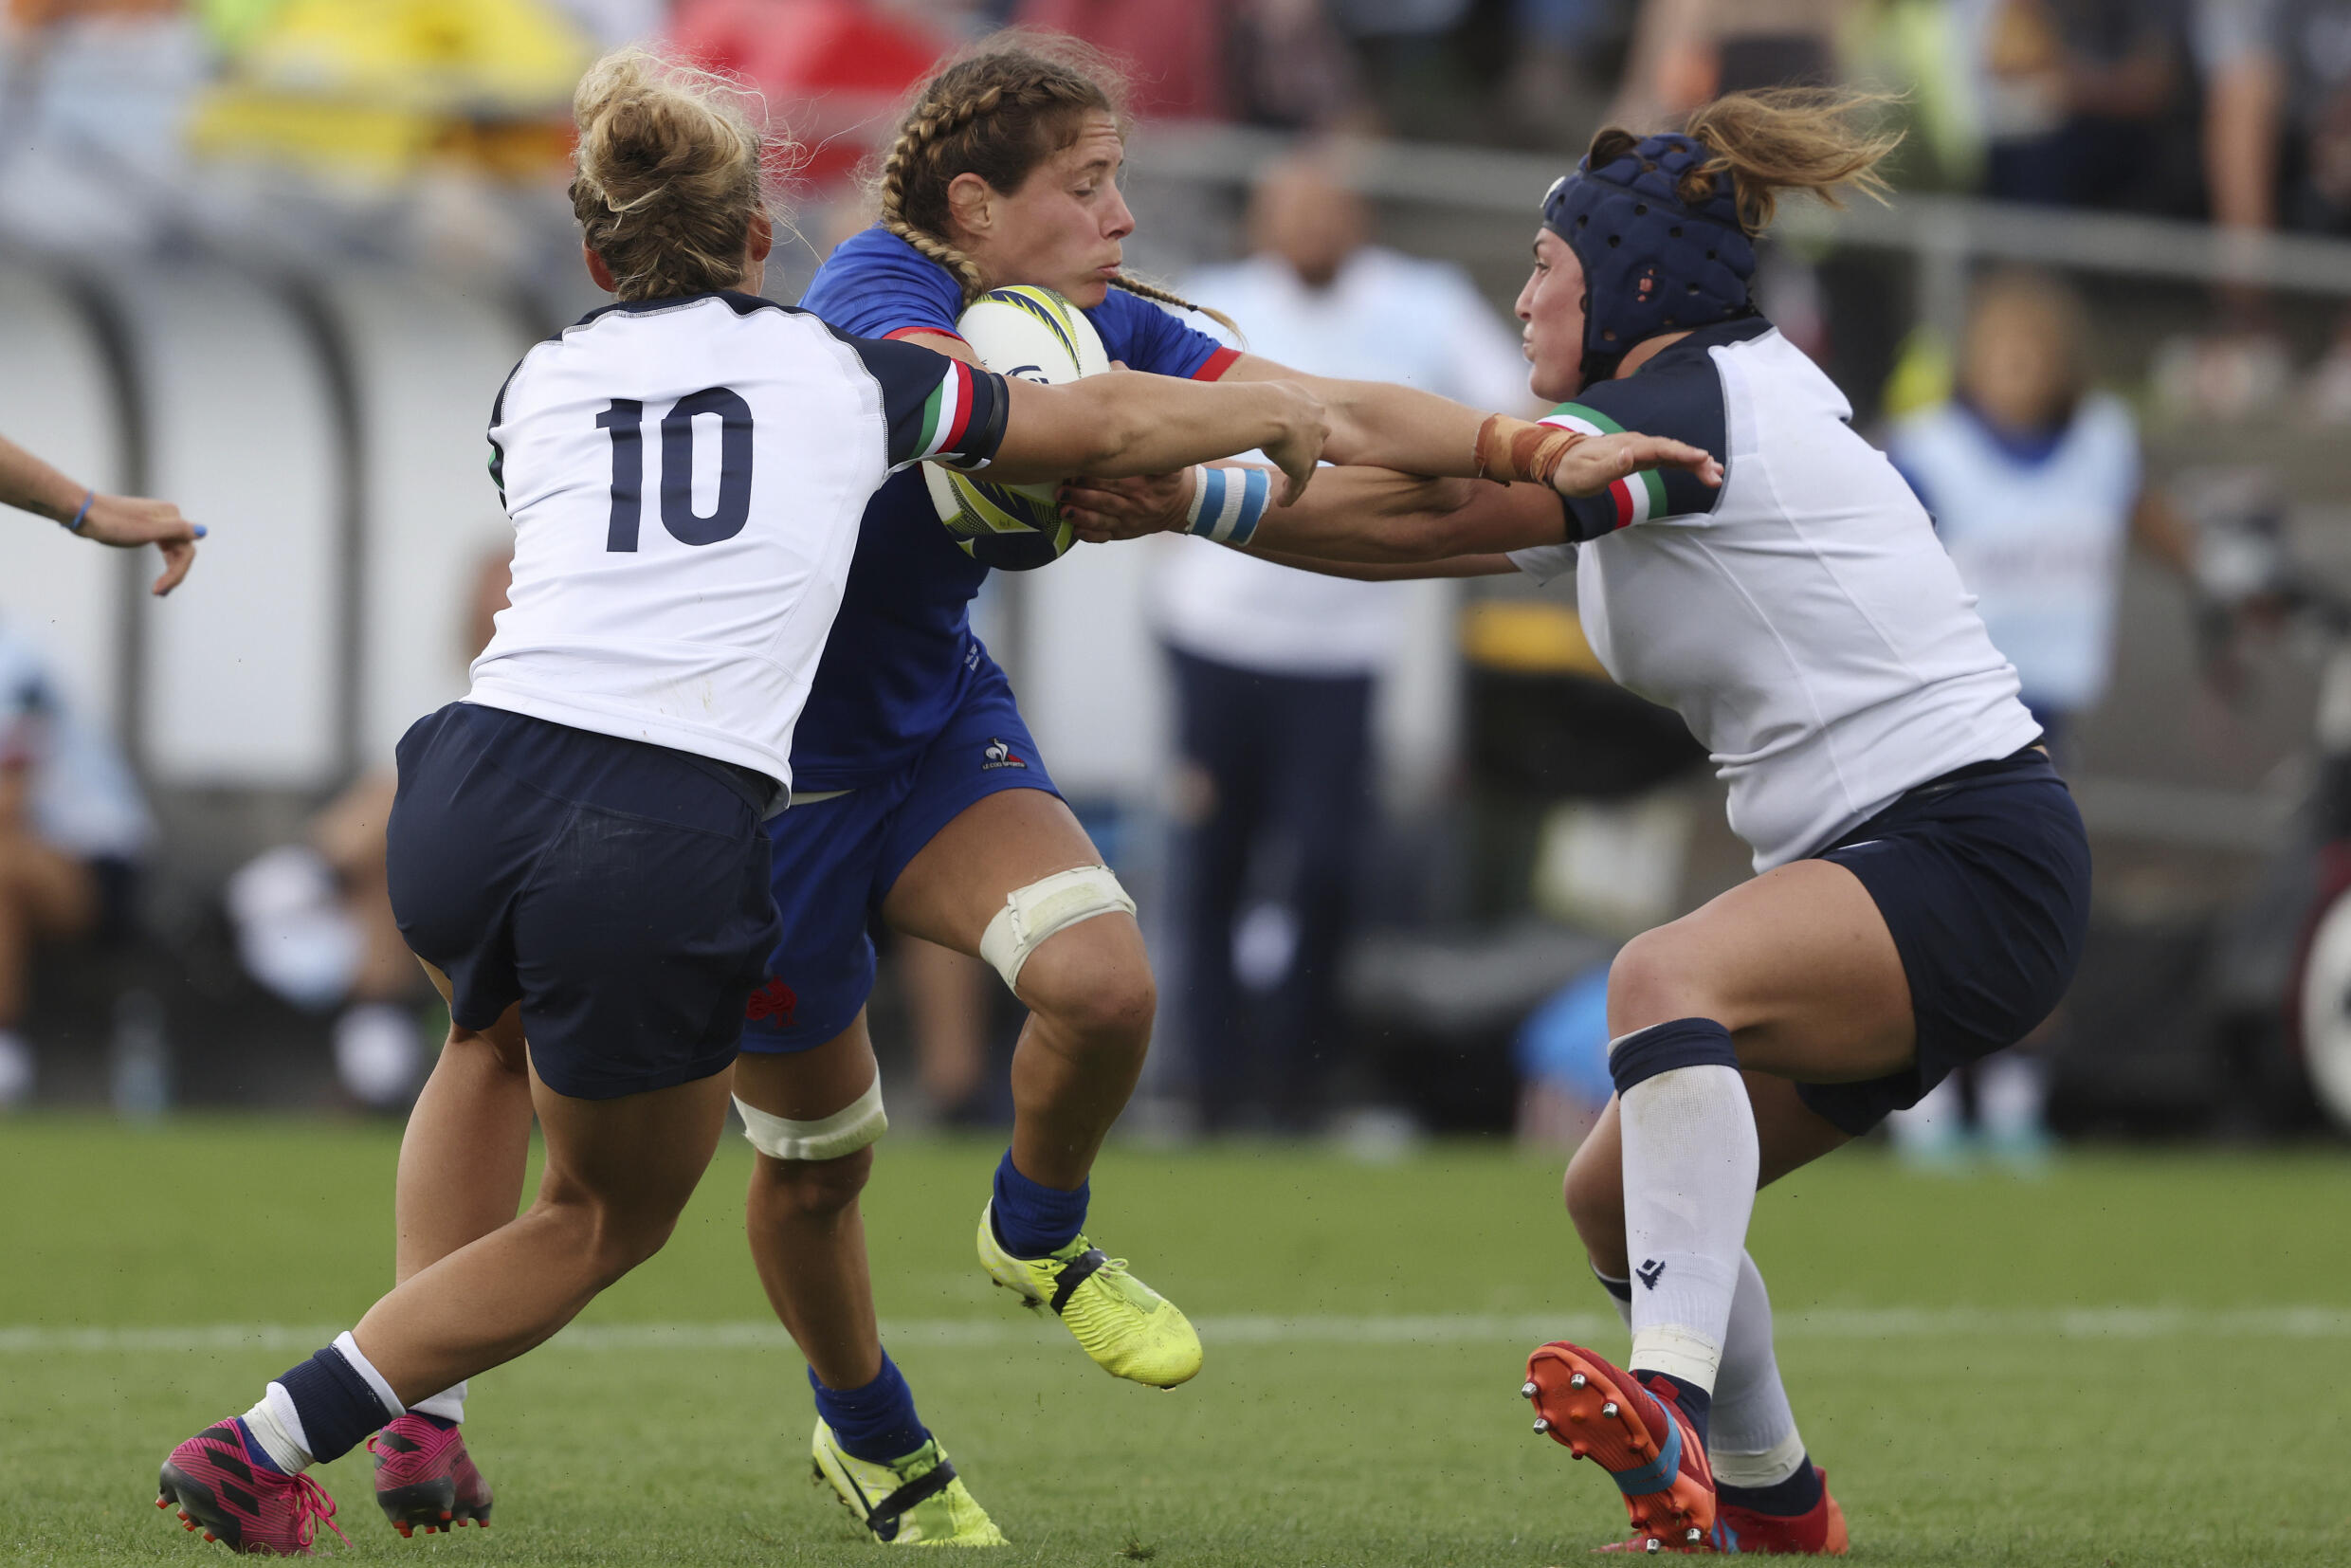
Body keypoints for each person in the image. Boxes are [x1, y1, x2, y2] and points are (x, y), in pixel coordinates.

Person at [151, 44, 1337, 1555]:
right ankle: (267, 1442)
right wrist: (1264, 421)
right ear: (765, 241)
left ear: (594, 249)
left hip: (461, 781)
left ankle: (425, 1431)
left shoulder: (543, 377)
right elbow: (1090, 430)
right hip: (659, 817)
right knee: (603, 1218)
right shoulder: (851, 371)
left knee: (484, 1039)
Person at [1066, 88, 2090, 1554]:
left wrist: (1176, 487)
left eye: (1546, 268)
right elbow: (1417, 531)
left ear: (1634, 284)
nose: (1523, 294)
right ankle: (1776, 1506)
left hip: (1969, 846)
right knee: (1614, 1198)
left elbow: (1417, 513)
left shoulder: (1700, 401)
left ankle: (1665, 1402)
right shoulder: (1650, 423)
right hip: (1912, 863)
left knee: (1662, 980)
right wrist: (1189, 501)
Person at [1159, 149, 1529, 1132]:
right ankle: (1206, 1080)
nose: (1310, 227)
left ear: (1358, 216)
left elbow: (1506, 409)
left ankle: (1296, 1075)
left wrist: (1434, 479)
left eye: (1328, 207)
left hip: (1340, 642)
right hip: (1218, 633)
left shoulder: (1423, 301)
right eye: (1292, 208)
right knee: (1212, 863)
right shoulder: (1209, 305)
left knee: (1325, 862)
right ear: (1261, 219)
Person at [1883, 266, 2191, 1166]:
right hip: (1943, 719)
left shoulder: (2101, 445)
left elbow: (2157, 528)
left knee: (2039, 918)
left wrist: (2220, 581)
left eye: (2035, 355)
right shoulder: (1929, 452)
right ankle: (1926, 1103)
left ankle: (2017, 1104)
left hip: (2049, 728)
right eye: (2001, 353)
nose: (2018, 371)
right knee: (1934, 910)